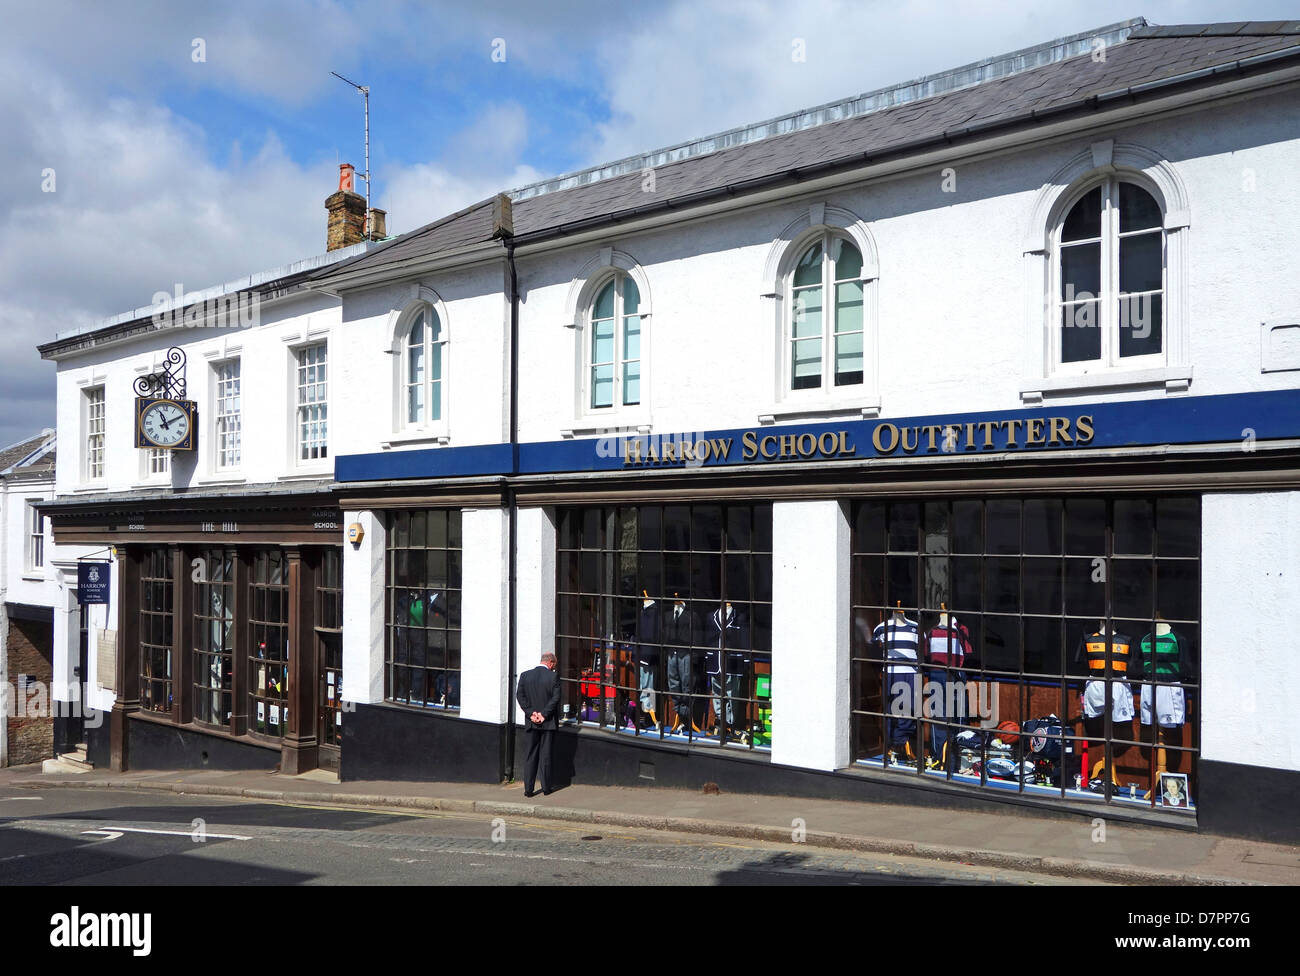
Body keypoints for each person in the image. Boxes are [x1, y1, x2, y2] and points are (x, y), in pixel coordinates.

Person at [516, 651, 561, 797]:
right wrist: (544, 714)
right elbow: (556, 698)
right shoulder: (553, 676)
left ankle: (528, 790)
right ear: (551, 663)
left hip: (531, 722)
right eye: (554, 665)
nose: (554, 668)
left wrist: (531, 713)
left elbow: (520, 696)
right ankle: (546, 788)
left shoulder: (525, 675)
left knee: (530, 755)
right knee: (545, 755)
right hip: (547, 723)